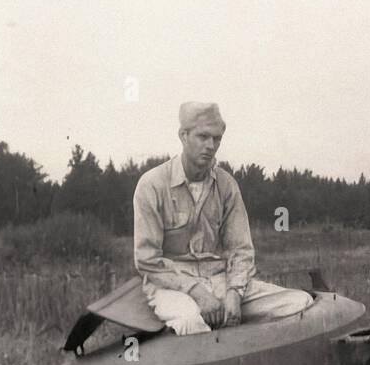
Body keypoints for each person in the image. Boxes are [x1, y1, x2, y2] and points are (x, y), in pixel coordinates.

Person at [132, 102, 313, 336]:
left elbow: (241, 250)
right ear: (183, 136)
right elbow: (147, 260)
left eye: (216, 139)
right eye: (203, 137)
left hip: (220, 281)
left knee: (299, 304)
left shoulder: (227, 185)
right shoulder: (152, 185)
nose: (211, 146)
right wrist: (197, 292)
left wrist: (234, 293)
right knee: (190, 323)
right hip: (172, 288)